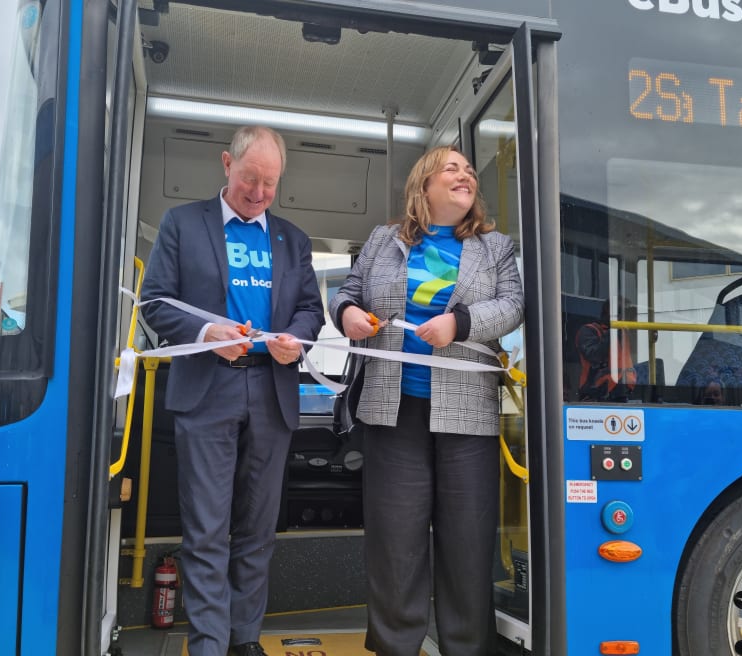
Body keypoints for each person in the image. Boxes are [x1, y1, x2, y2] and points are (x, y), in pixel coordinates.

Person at [329, 145, 524, 656]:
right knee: (396, 543)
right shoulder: (382, 239)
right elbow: (347, 291)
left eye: (468, 172)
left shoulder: (496, 247)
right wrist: (347, 312)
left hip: (467, 413)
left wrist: (460, 323)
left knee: (466, 544)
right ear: (425, 185)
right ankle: (397, 647)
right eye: (451, 169)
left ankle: (466, 648)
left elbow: (513, 306)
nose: (465, 176)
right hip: (393, 411)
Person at [140, 125, 324, 656]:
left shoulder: (295, 239)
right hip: (207, 391)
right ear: (227, 164)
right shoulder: (181, 224)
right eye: (250, 178)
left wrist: (299, 340)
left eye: (270, 183)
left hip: (271, 391)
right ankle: (208, 645)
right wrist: (205, 335)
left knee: (257, 530)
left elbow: (311, 310)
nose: (260, 193)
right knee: (205, 532)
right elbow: (155, 303)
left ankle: (244, 641)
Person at [575, 300, 637, 401]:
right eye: (623, 312)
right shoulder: (588, 331)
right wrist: (614, 330)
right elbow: (595, 356)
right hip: (596, 395)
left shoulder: (624, 332)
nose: (625, 317)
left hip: (624, 391)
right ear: (610, 311)